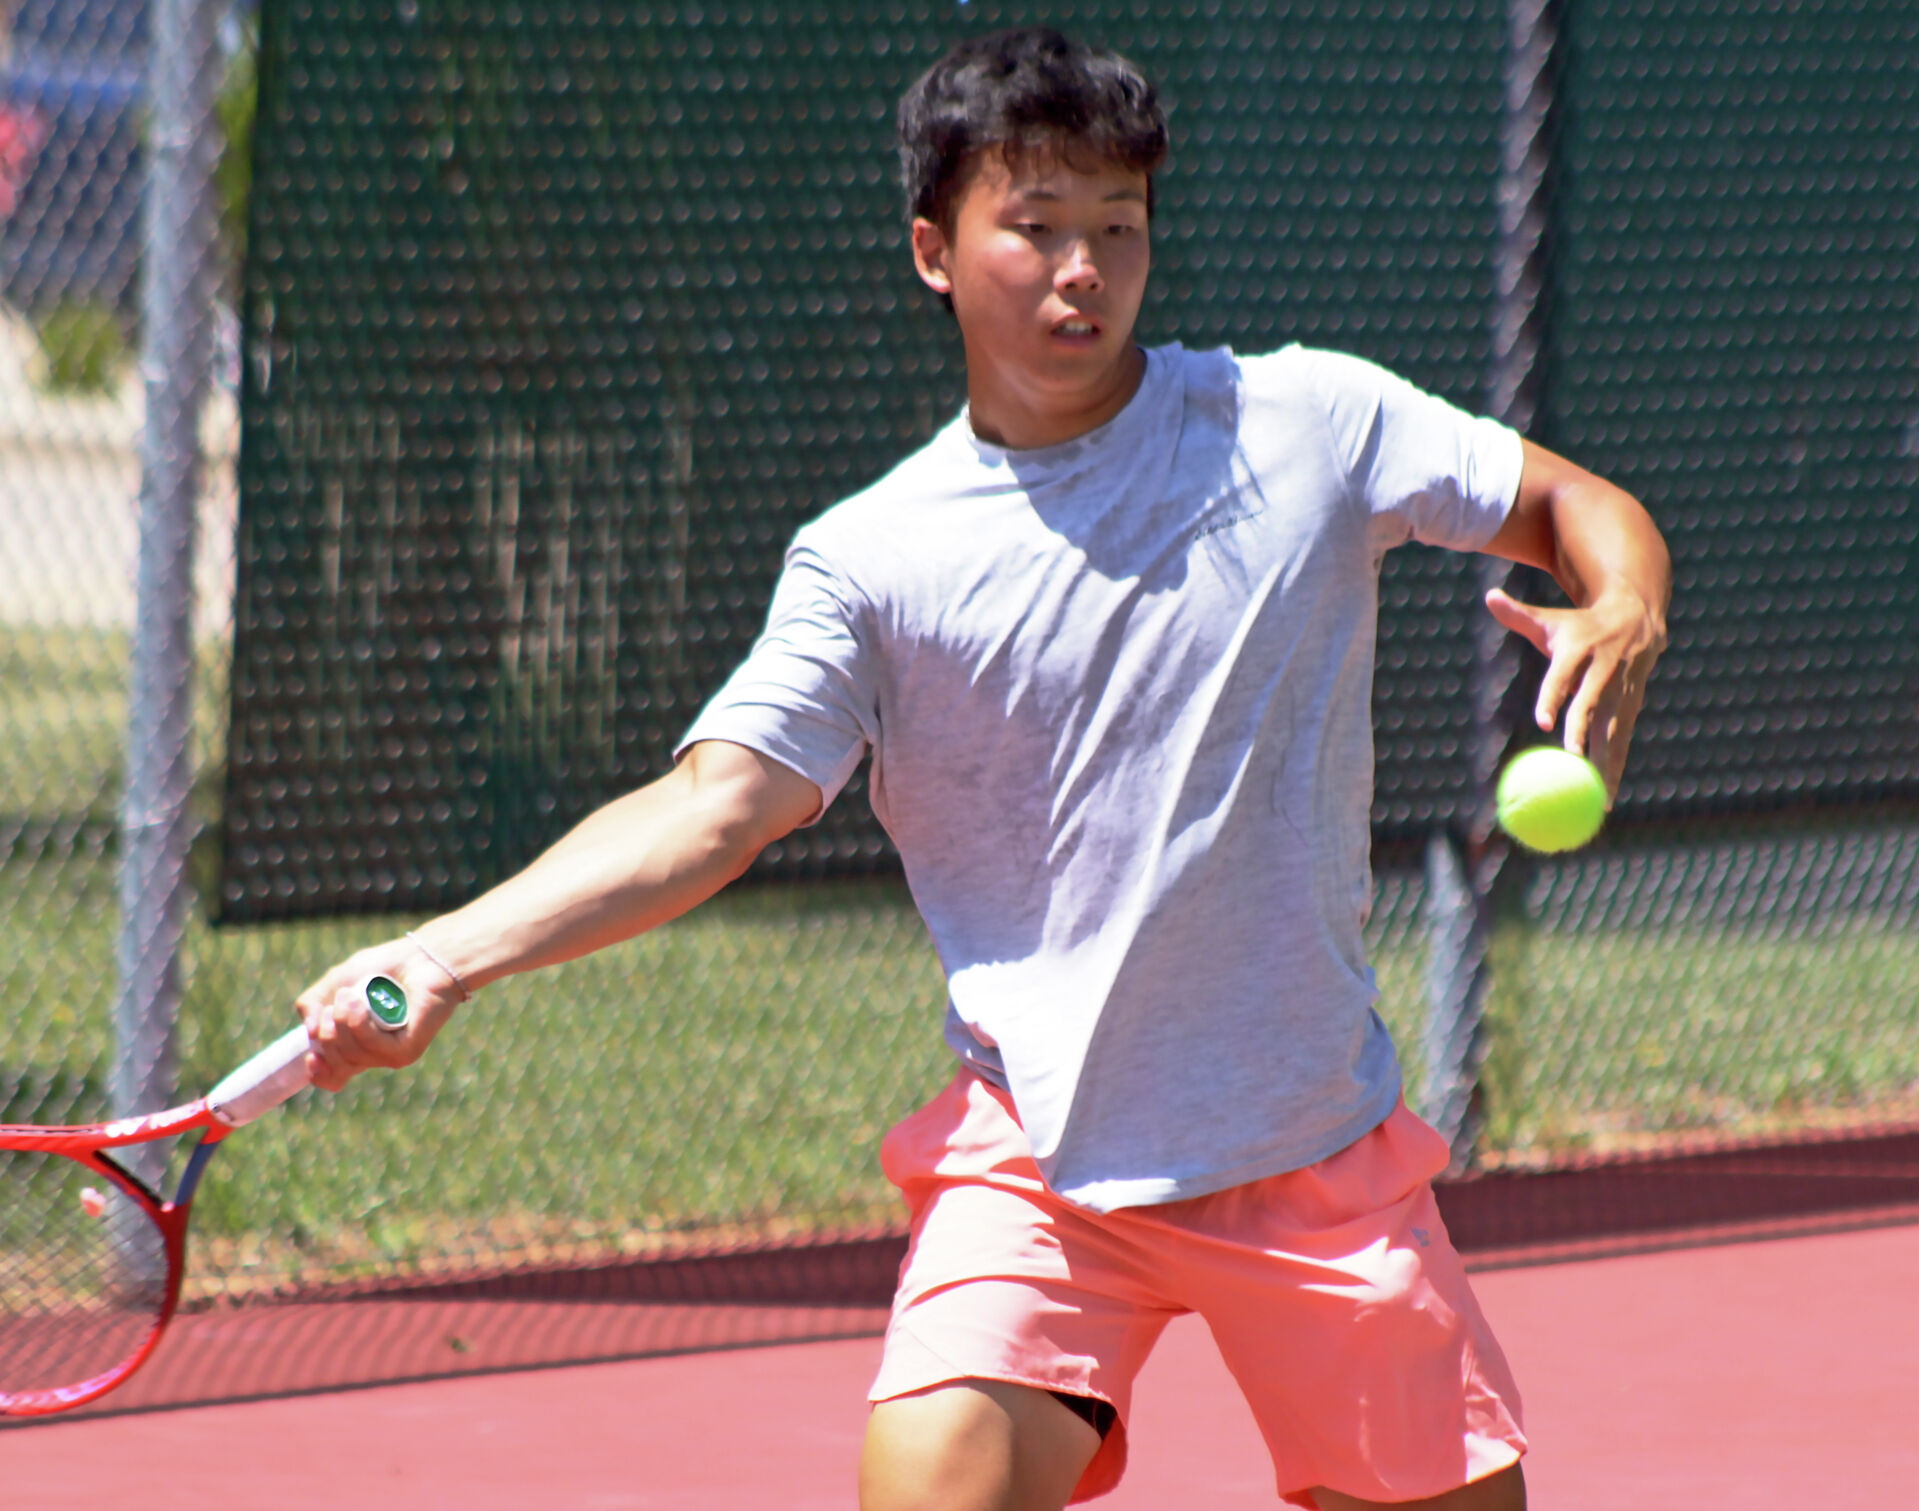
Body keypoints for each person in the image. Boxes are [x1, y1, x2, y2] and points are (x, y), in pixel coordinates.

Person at [294, 28, 1670, 1511]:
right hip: (1037, 1162)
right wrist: (443, 955)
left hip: (1308, 1147)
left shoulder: (1307, 422)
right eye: (1036, 226)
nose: (1084, 269)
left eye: (1119, 227)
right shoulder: (872, 560)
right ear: (934, 252)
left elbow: (1575, 507)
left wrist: (1627, 602)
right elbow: (715, 806)